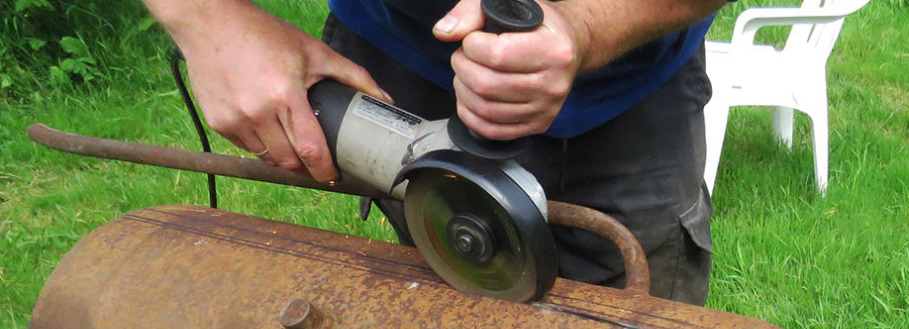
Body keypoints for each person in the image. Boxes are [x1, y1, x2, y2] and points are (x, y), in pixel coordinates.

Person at [141, 0, 726, 305]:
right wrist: (208, 21)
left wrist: (589, 25)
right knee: (441, 297)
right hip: (395, 55)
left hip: (626, 81)